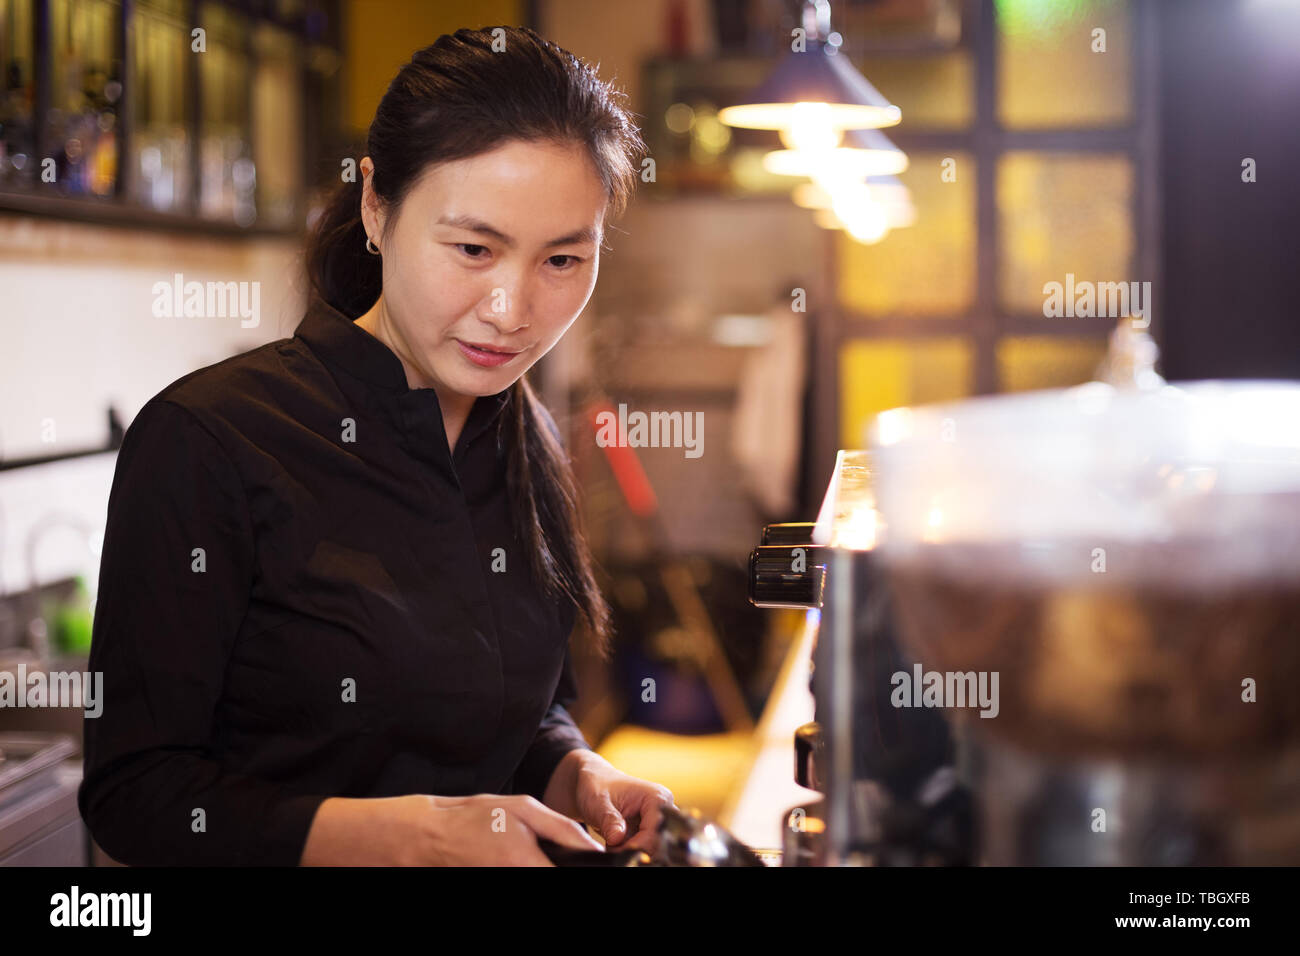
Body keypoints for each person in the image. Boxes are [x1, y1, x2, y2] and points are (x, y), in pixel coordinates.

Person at [79, 25, 675, 866]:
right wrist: (418, 836)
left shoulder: (522, 430)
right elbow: (135, 793)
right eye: (473, 249)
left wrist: (574, 773)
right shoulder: (210, 439)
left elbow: (518, 710)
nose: (512, 309)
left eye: (563, 259)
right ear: (376, 205)